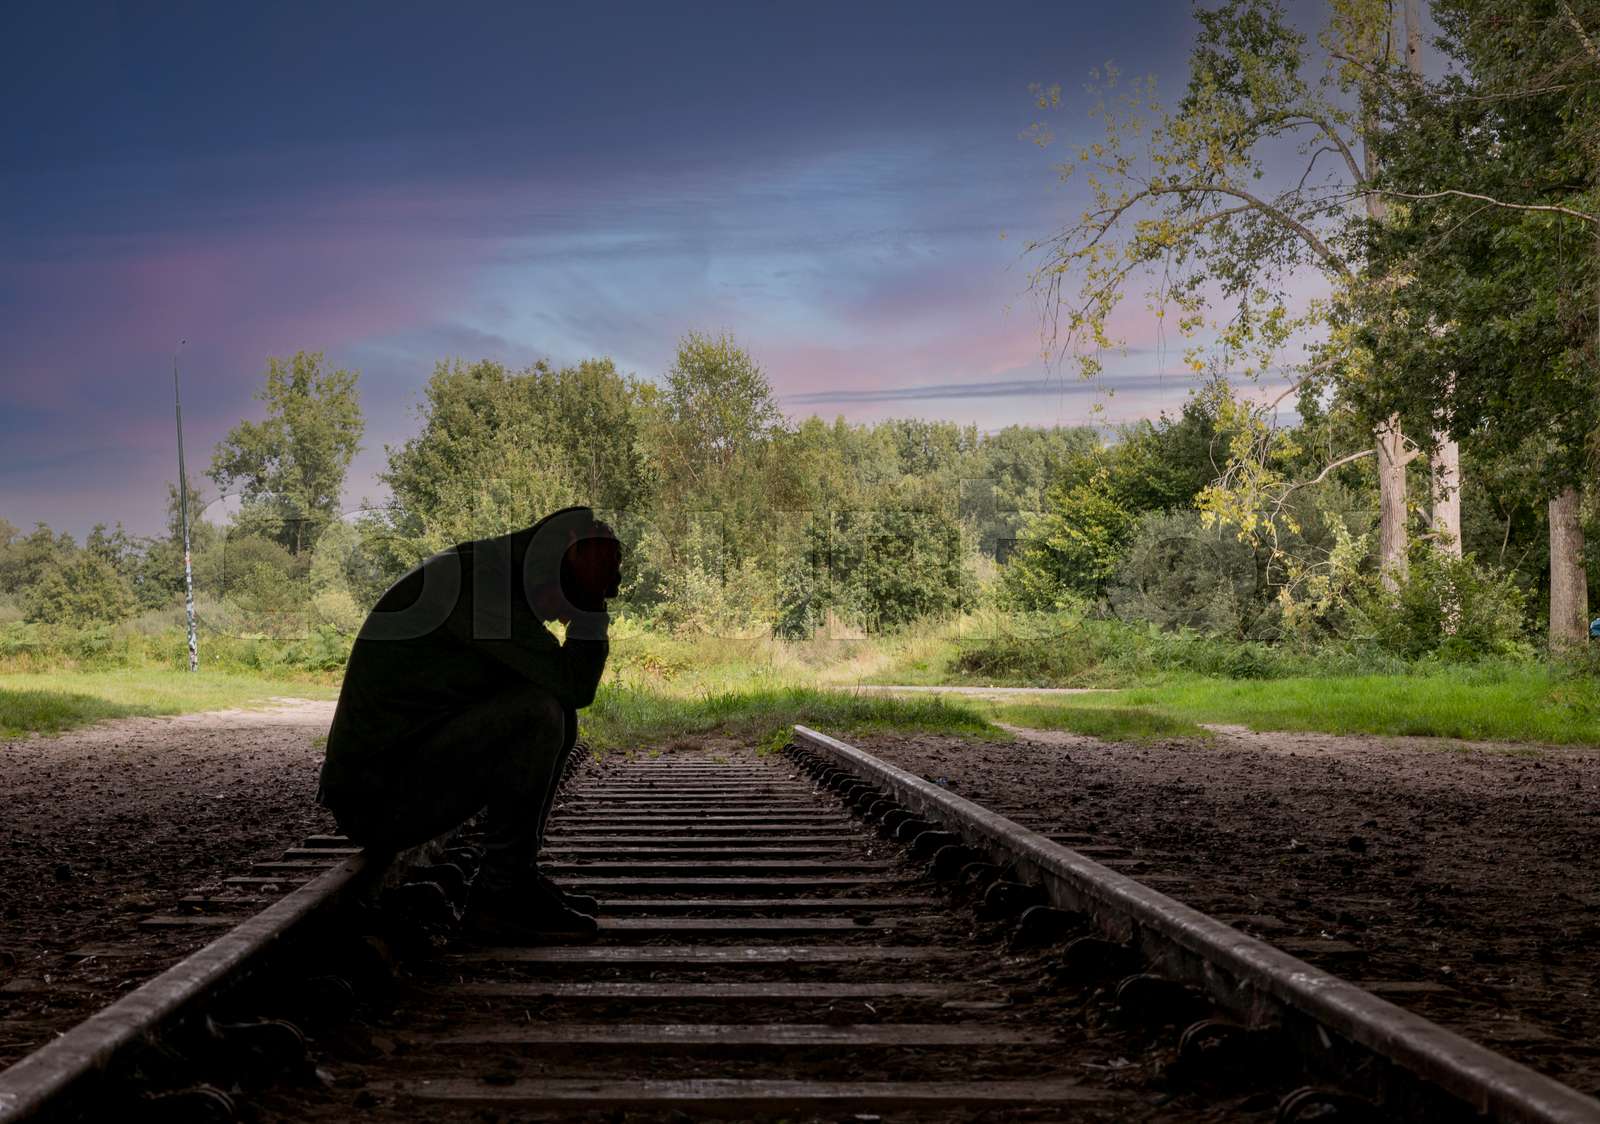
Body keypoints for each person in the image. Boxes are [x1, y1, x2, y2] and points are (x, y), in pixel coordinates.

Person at [316, 505, 622, 940]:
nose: (559, 617)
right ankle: (501, 895)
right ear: (553, 565)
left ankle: (514, 879)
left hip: (395, 779)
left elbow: (570, 693)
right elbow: (574, 685)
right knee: (539, 713)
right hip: (376, 803)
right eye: (565, 599)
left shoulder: (493, 574)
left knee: (557, 716)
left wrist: (586, 592)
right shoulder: (482, 586)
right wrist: (590, 602)